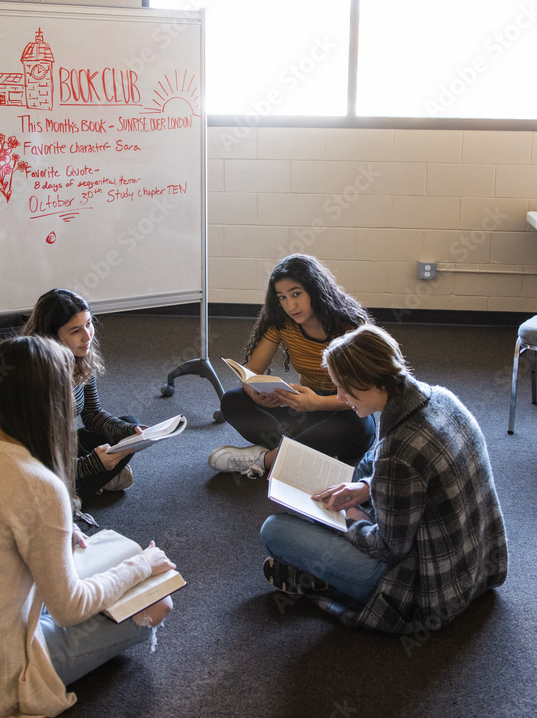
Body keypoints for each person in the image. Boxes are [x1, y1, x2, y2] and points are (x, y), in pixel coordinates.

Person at [0, 336, 175, 718]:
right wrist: (143, 567)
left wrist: (54, 538)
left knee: (104, 553)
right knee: (158, 600)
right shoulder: (38, 483)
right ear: (52, 401)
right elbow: (69, 608)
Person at [260, 324, 508, 634]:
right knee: (348, 490)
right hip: (475, 563)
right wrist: (365, 487)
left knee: (275, 531)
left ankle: (330, 581)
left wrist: (349, 518)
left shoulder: (398, 455)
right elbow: (385, 465)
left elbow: (389, 548)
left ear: (373, 383)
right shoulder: (441, 397)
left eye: (345, 389)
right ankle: (325, 573)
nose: (340, 398)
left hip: (426, 587)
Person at [208, 254, 375, 478]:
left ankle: (266, 459)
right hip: (303, 410)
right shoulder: (282, 324)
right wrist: (254, 392)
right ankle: (314, 452)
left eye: (296, 294)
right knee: (233, 401)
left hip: (344, 408)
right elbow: (252, 372)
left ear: (315, 290)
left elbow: (365, 394)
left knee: (357, 428)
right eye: (282, 298)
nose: (290, 305)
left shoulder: (349, 327)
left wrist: (316, 403)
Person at [23, 288, 142, 500]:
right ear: (52, 337)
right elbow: (37, 458)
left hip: (60, 444)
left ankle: (88, 485)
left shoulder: (80, 356)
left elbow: (92, 413)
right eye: (75, 330)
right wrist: (92, 464)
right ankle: (76, 493)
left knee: (127, 429)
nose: (87, 336)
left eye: (88, 324)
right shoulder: (35, 377)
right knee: (47, 489)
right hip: (33, 462)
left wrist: (128, 431)